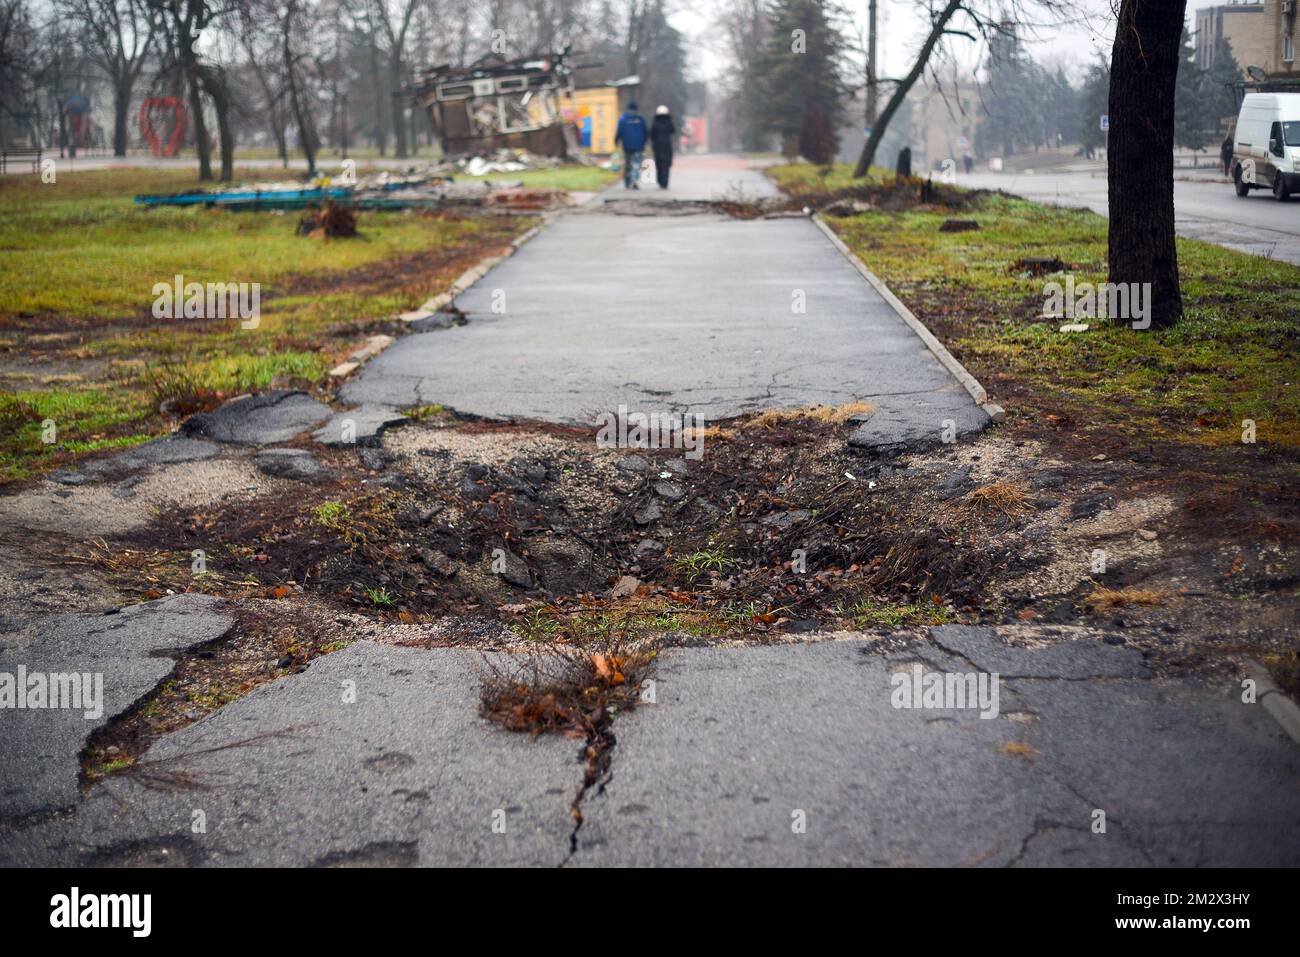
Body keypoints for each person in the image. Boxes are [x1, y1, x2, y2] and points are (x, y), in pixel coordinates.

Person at [614, 102, 648, 190]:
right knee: (637, 164)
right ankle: (634, 181)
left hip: (627, 146)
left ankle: (627, 181)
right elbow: (646, 132)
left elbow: (619, 131)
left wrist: (616, 141)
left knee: (628, 164)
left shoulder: (623, 119)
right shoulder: (641, 119)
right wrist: (644, 143)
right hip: (639, 146)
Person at [649, 105, 676, 189]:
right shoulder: (669, 122)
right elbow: (673, 130)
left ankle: (660, 181)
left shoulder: (655, 123)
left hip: (657, 146)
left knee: (659, 164)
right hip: (667, 146)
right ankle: (665, 182)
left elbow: (651, 134)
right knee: (666, 165)